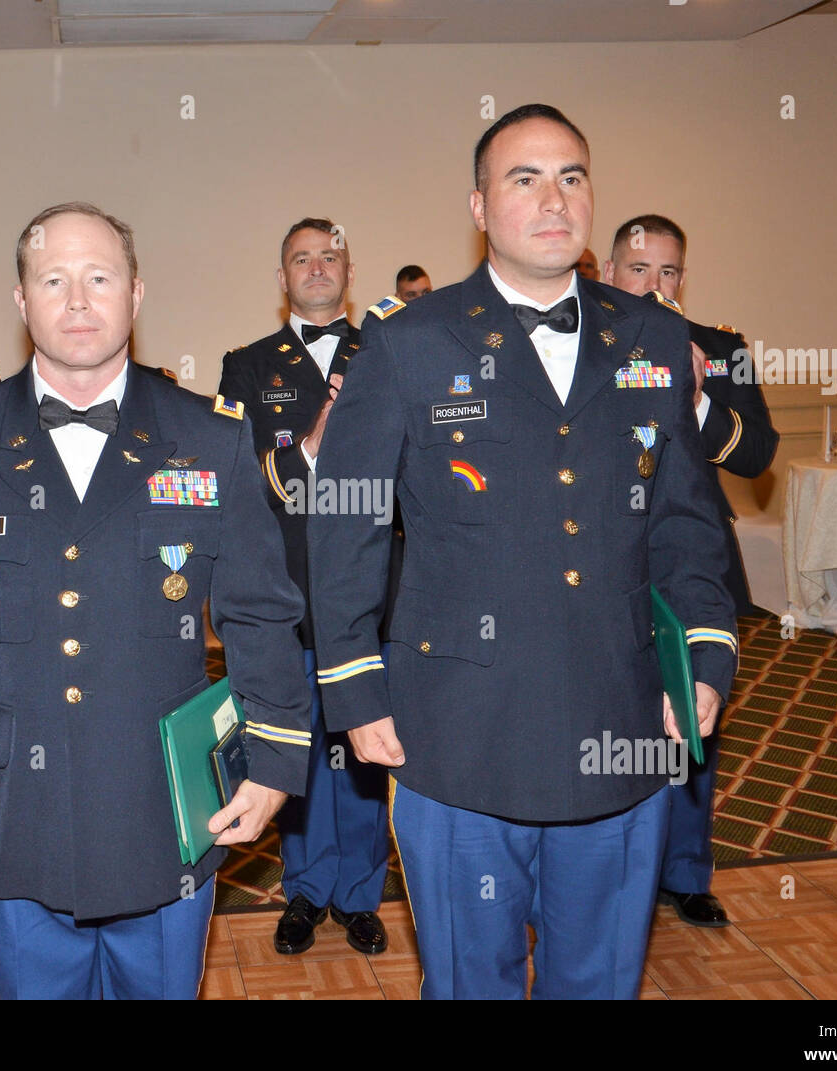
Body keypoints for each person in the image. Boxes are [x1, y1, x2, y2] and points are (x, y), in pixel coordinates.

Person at [307, 104, 738, 999]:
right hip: (458, 728)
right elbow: (344, 518)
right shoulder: (405, 341)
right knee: (470, 982)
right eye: (524, 178)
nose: (554, 198)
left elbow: (686, 517)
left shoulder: (653, 335)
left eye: (572, 177)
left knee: (603, 976)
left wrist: (703, 649)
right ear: (478, 206)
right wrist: (352, 680)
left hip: (623, 721)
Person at [0, 203, 312, 1000]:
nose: (77, 300)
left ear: (136, 294)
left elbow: (260, 611)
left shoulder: (210, 439)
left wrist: (277, 759)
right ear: (21, 301)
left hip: (161, 813)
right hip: (12, 813)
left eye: (98, 277)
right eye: (53, 279)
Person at [218, 219, 390, 957]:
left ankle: (360, 893)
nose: (316, 267)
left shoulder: (389, 354)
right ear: (282, 275)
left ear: (348, 270)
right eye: (301, 258)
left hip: (376, 595)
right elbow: (235, 482)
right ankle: (306, 888)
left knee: (365, 750)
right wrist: (309, 453)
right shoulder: (247, 365)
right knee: (294, 745)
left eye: (330, 255)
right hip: (283, 596)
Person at [604, 213, 778, 927]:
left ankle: (684, 871)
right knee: (612, 717)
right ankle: (617, 870)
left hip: (691, 560)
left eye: (669, 271)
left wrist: (699, 392)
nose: (654, 283)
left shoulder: (721, 348)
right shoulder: (580, 346)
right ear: (610, 273)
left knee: (693, 713)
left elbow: (756, 454)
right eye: (639, 269)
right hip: (607, 558)